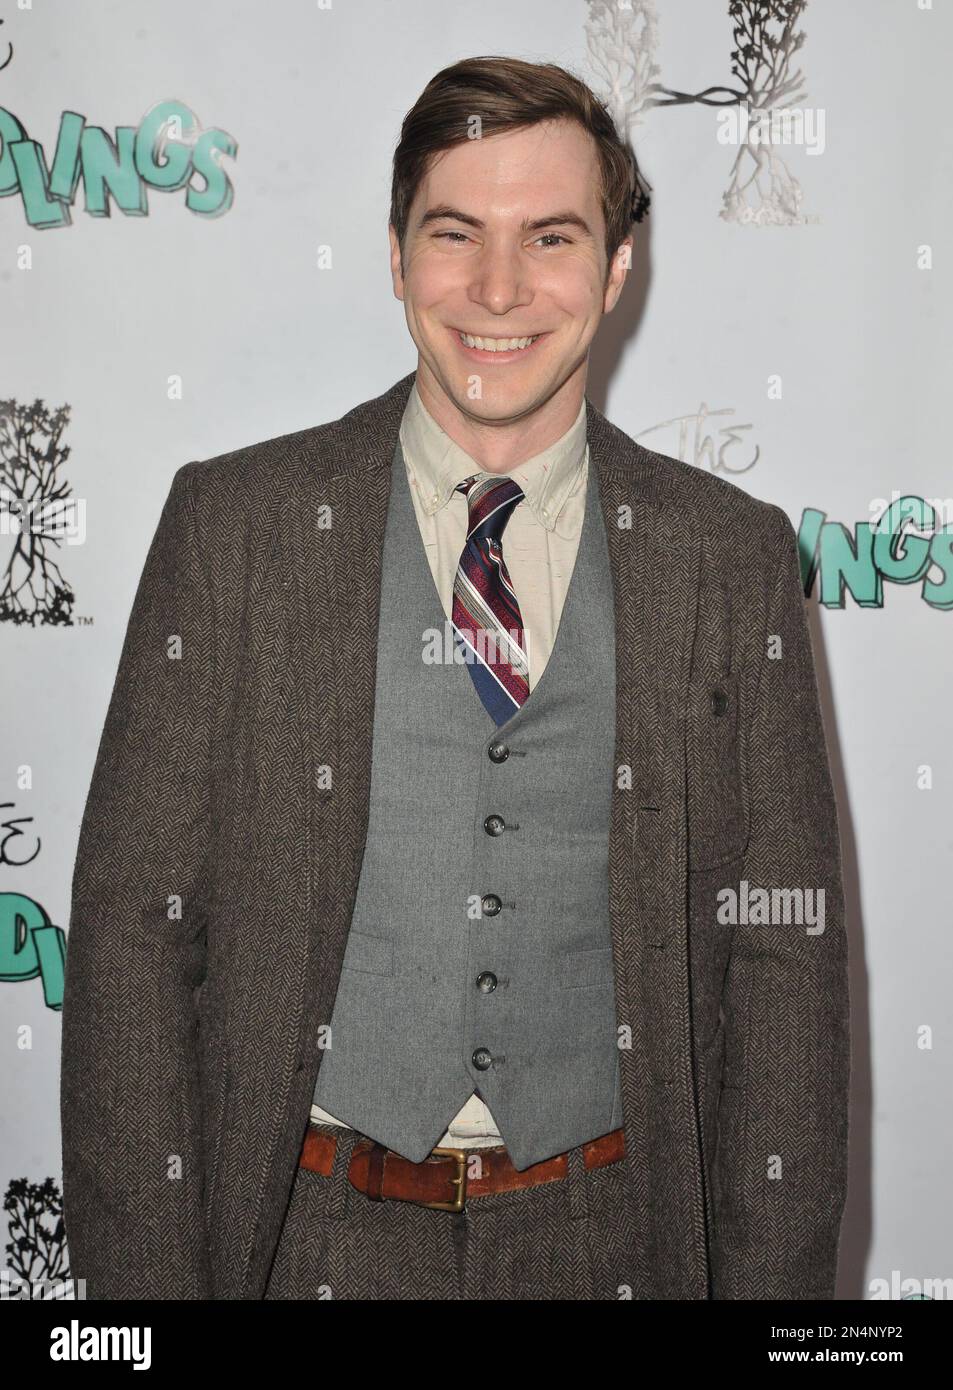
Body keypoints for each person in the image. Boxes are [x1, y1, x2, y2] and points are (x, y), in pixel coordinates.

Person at [60, 55, 850, 1301]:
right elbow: (129, 943)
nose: (496, 288)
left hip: (615, 1244)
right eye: (453, 233)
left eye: (549, 235)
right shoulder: (236, 527)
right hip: (304, 1237)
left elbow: (783, 973)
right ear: (393, 255)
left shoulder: (729, 558)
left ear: (615, 267)